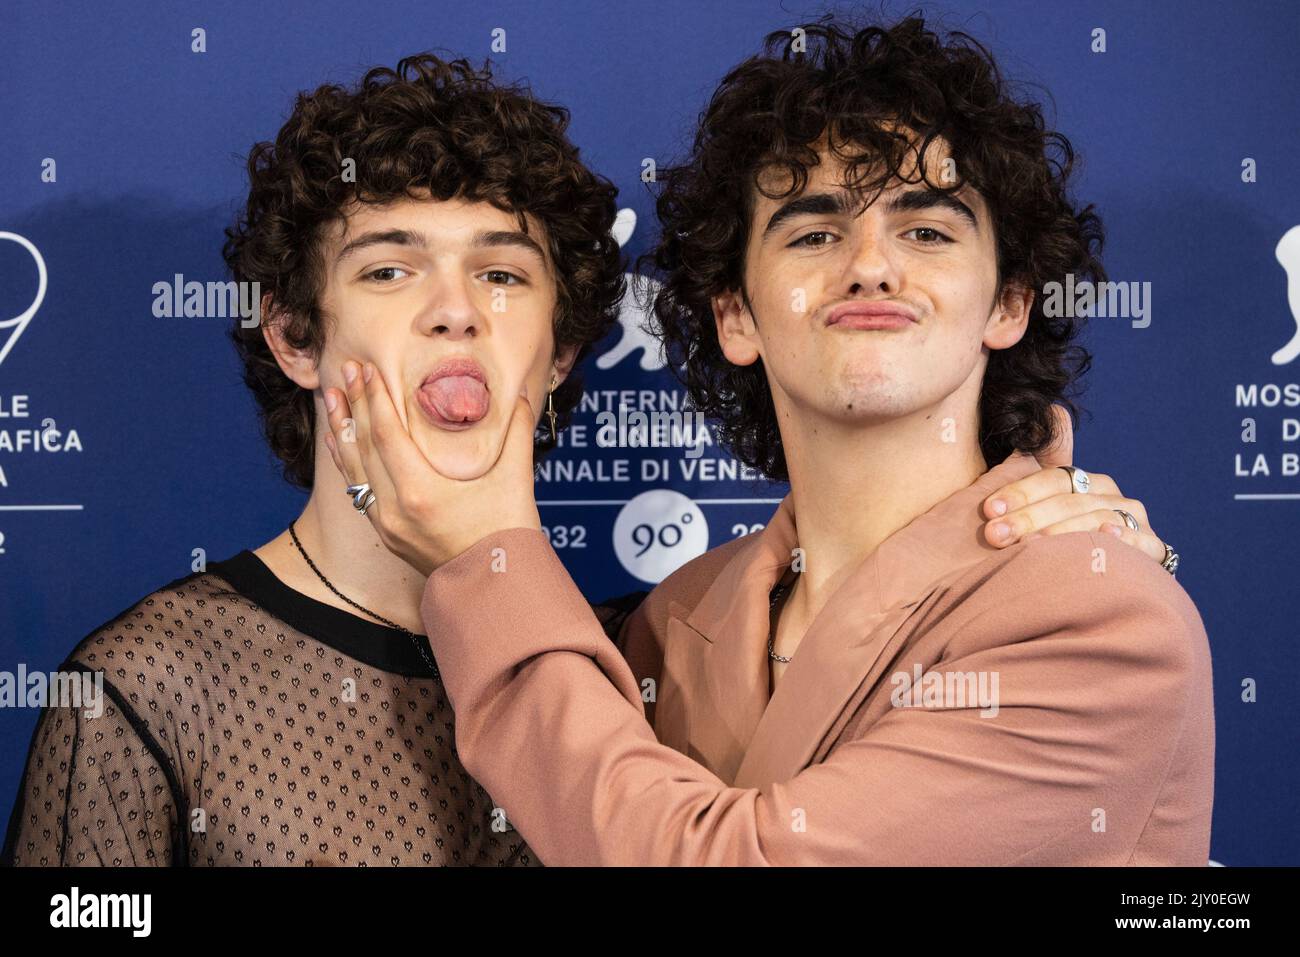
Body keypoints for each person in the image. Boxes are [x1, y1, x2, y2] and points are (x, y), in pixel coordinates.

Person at [320, 17, 1211, 865]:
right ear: (735, 313)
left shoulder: (1100, 614)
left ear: (1009, 304)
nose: (870, 263)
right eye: (816, 231)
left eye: (927, 230)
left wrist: (488, 560)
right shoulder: (678, 619)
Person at [2, 52, 628, 866]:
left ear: (561, 352)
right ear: (297, 337)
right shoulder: (147, 684)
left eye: (501, 272)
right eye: (390, 270)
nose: (455, 312)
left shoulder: (644, 667)